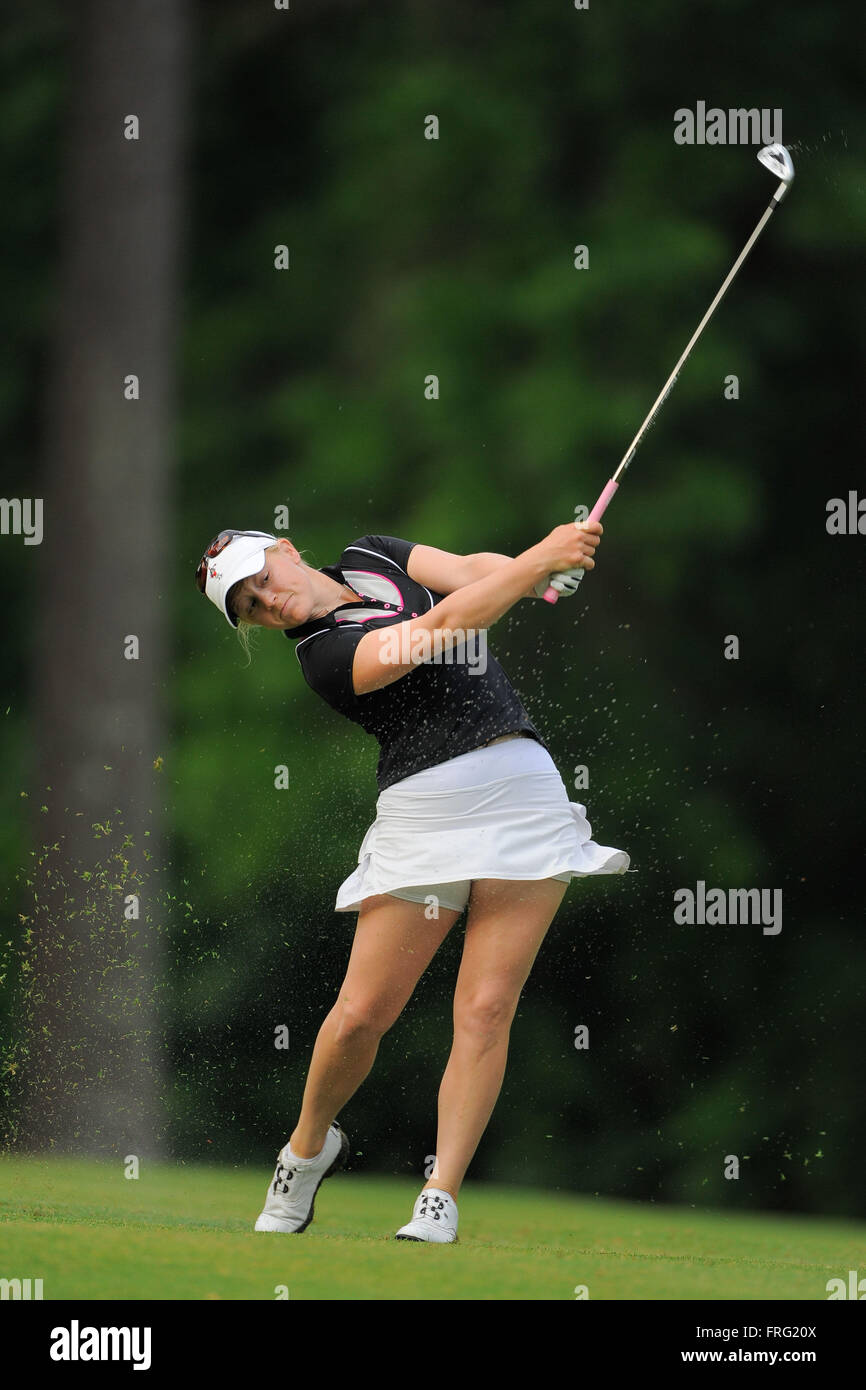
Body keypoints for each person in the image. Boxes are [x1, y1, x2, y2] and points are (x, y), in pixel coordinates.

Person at [195, 521, 629, 1242]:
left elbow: (468, 569)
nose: (269, 602)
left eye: (263, 579)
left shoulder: (373, 553)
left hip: (523, 792)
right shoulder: (322, 656)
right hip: (424, 813)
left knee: (488, 1008)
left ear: (287, 551)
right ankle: (306, 1149)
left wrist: (540, 571)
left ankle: (441, 1193)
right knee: (362, 1014)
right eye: (250, 607)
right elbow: (437, 629)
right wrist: (536, 565)